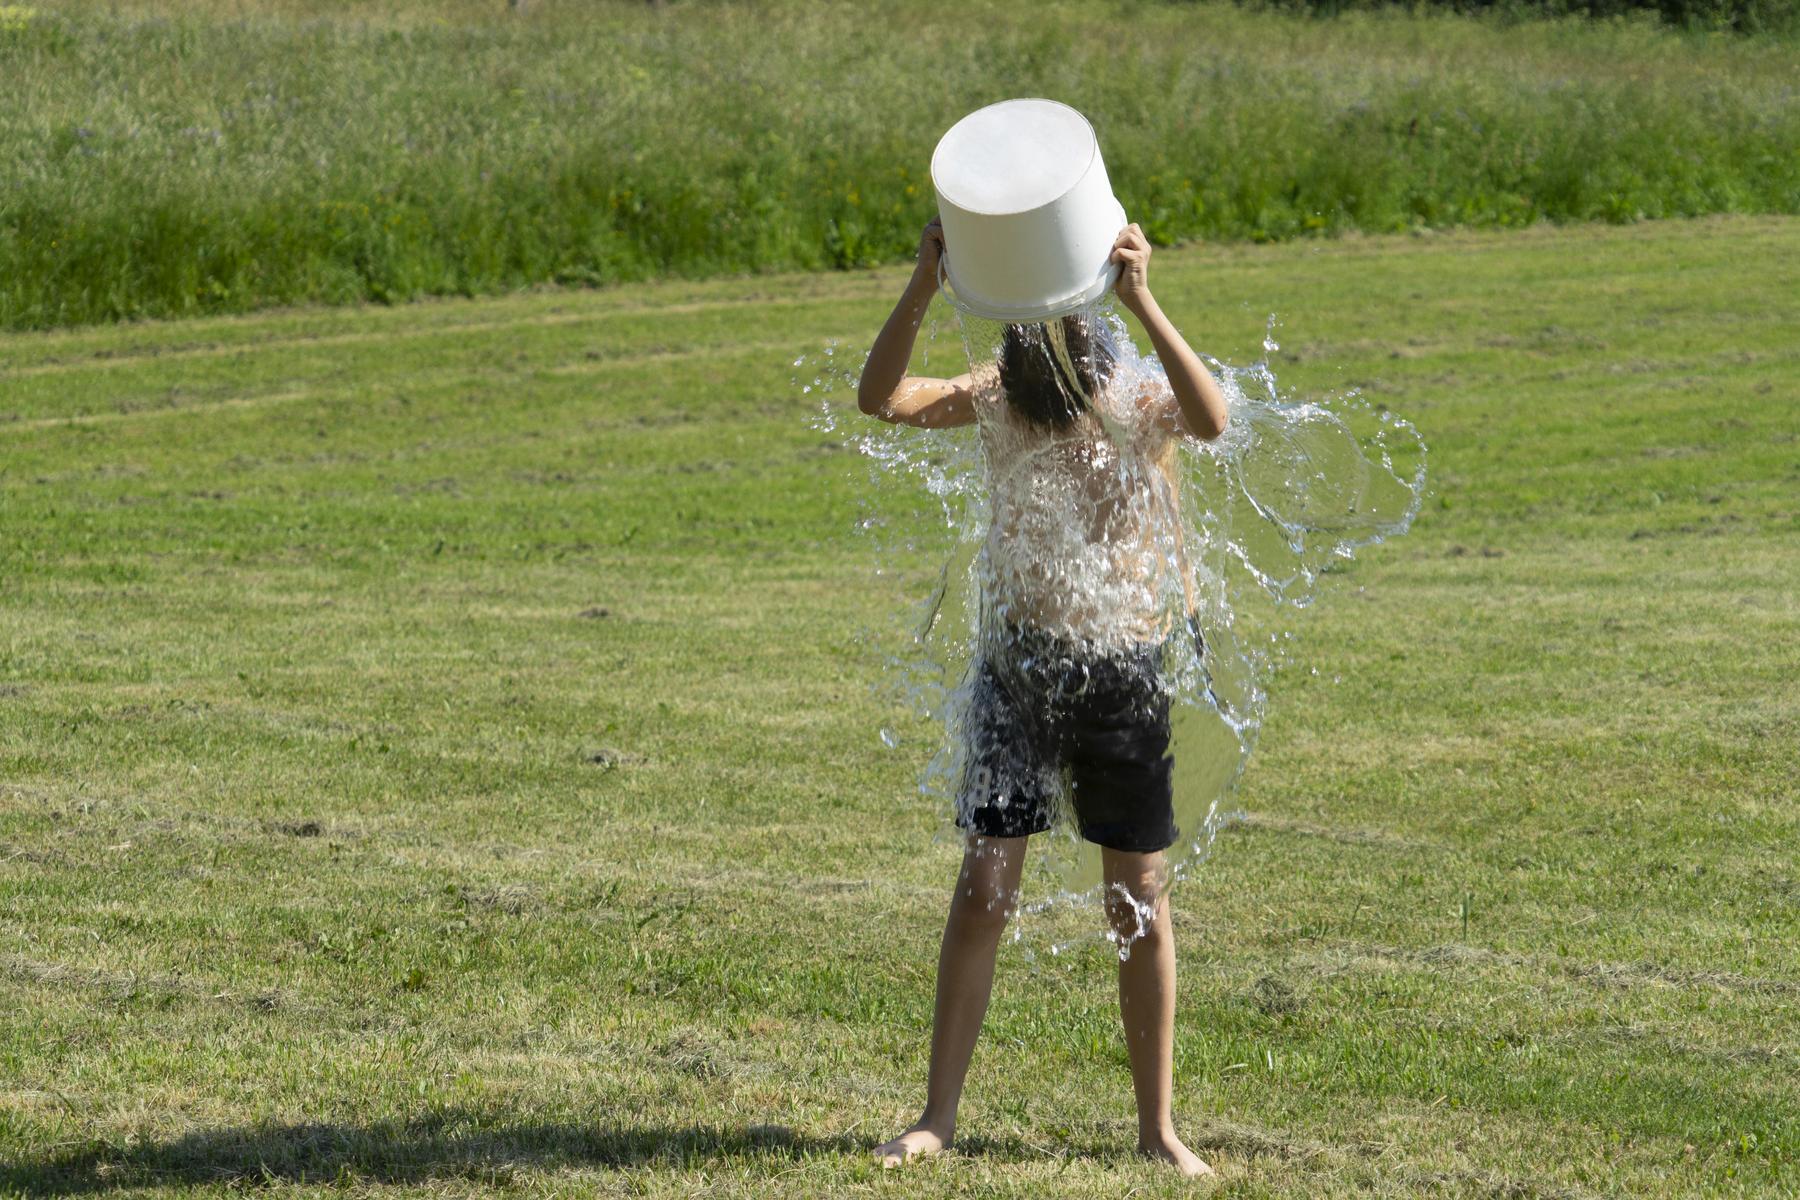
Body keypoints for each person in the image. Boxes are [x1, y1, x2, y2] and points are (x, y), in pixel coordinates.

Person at [855, 218, 1231, 1178]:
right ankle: (938, 1114)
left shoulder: (1136, 401)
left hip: (1123, 674)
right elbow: (882, 398)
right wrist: (925, 284)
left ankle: (1158, 1130)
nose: (1035, 350)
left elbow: (1215, 416)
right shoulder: (992, 398)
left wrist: (1144, 298)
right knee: (984, 888)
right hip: (1019, 671)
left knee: (1138, 898)